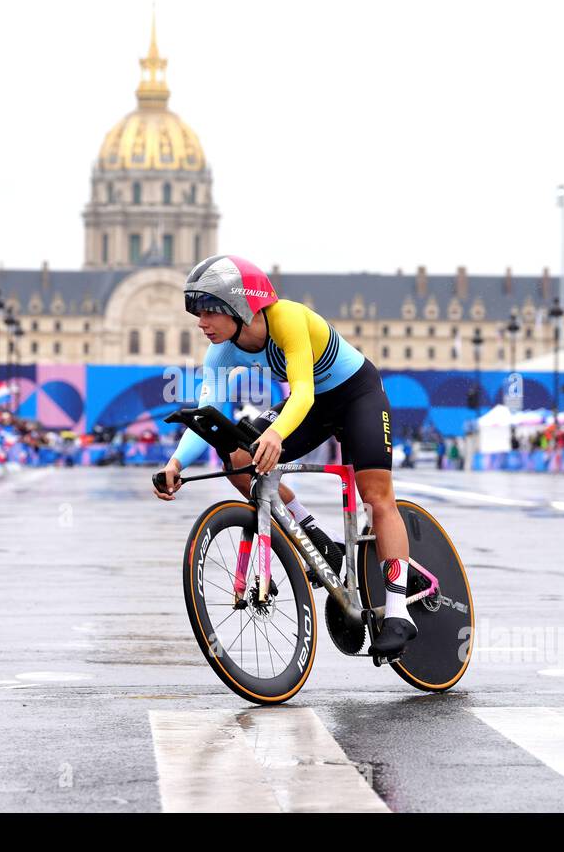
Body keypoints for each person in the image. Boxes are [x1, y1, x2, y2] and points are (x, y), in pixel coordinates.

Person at [152, 254, 420, 659]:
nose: (200, 322)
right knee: (238, 456)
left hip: (356, 396)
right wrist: (175, 463)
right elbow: (210, 414)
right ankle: (317, 537)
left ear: (239, 307)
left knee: (376, 496)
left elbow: (304, 392)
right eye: (197, 312)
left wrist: (277, 433)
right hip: (309, 405)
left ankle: (400, 613)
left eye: (208, 311)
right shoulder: (220, 354)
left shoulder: (287, 319)